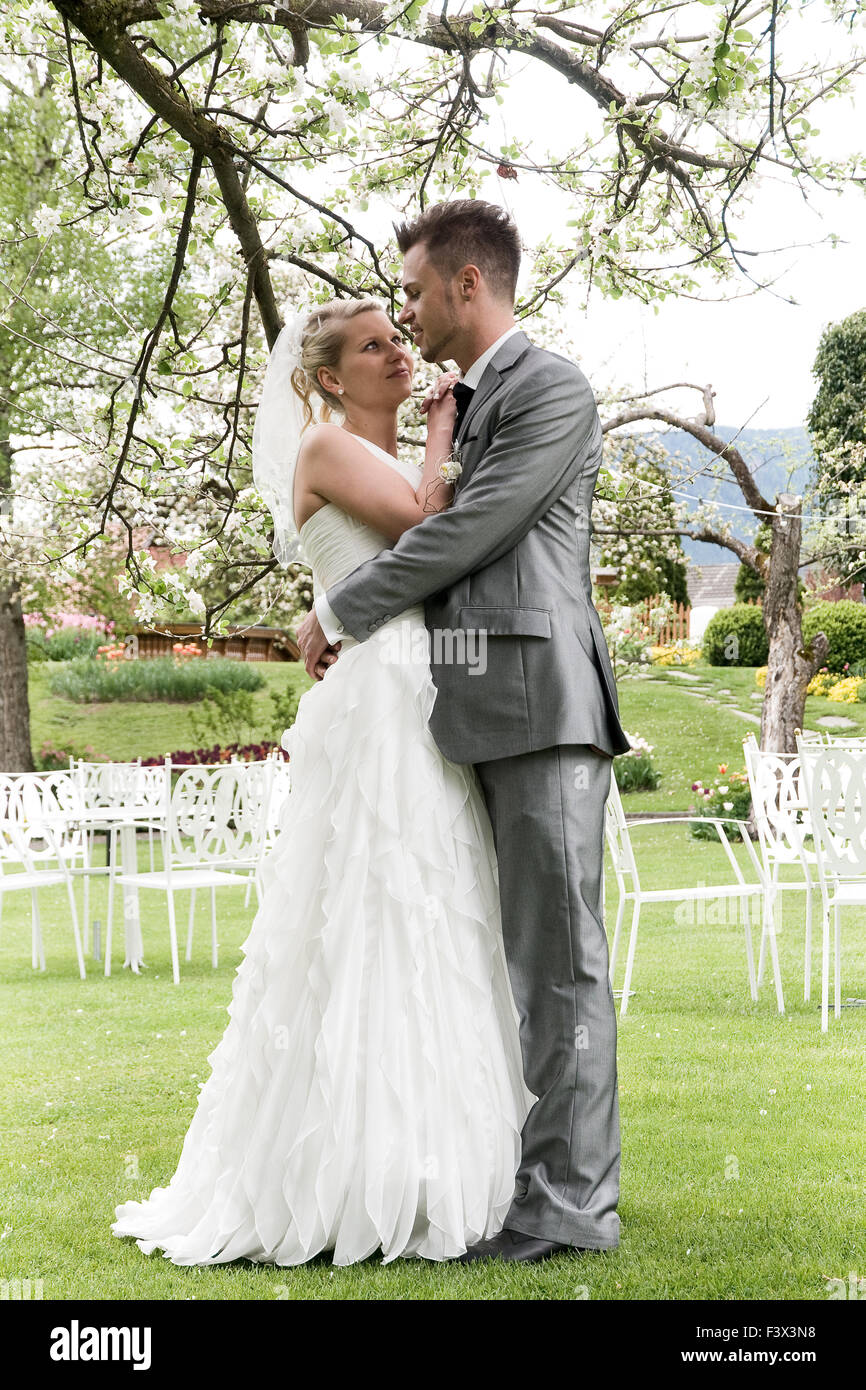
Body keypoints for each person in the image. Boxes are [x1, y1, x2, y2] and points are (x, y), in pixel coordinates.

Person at [110, 294, 536, 1267]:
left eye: (396, 337)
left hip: (416, 691)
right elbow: (432, 522)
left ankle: (432, 1153)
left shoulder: (374, 453)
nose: (396, 353)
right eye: (372, 347)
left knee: (431, 910)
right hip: (379, 699)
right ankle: (348, 1170)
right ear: (329, 377)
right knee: (370, 907)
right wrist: (440, 427)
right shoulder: (328, 447)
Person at [297, 199, 630, 1264]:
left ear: (465, 284)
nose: (406, 312)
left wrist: (338, 607)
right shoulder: (472, 401)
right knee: (501, 960)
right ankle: (519, 1184)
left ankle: (568, 1209)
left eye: (412, 292)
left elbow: (474, 529)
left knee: (559, 962)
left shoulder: (548, 388)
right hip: (466, 706)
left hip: (538, 707)